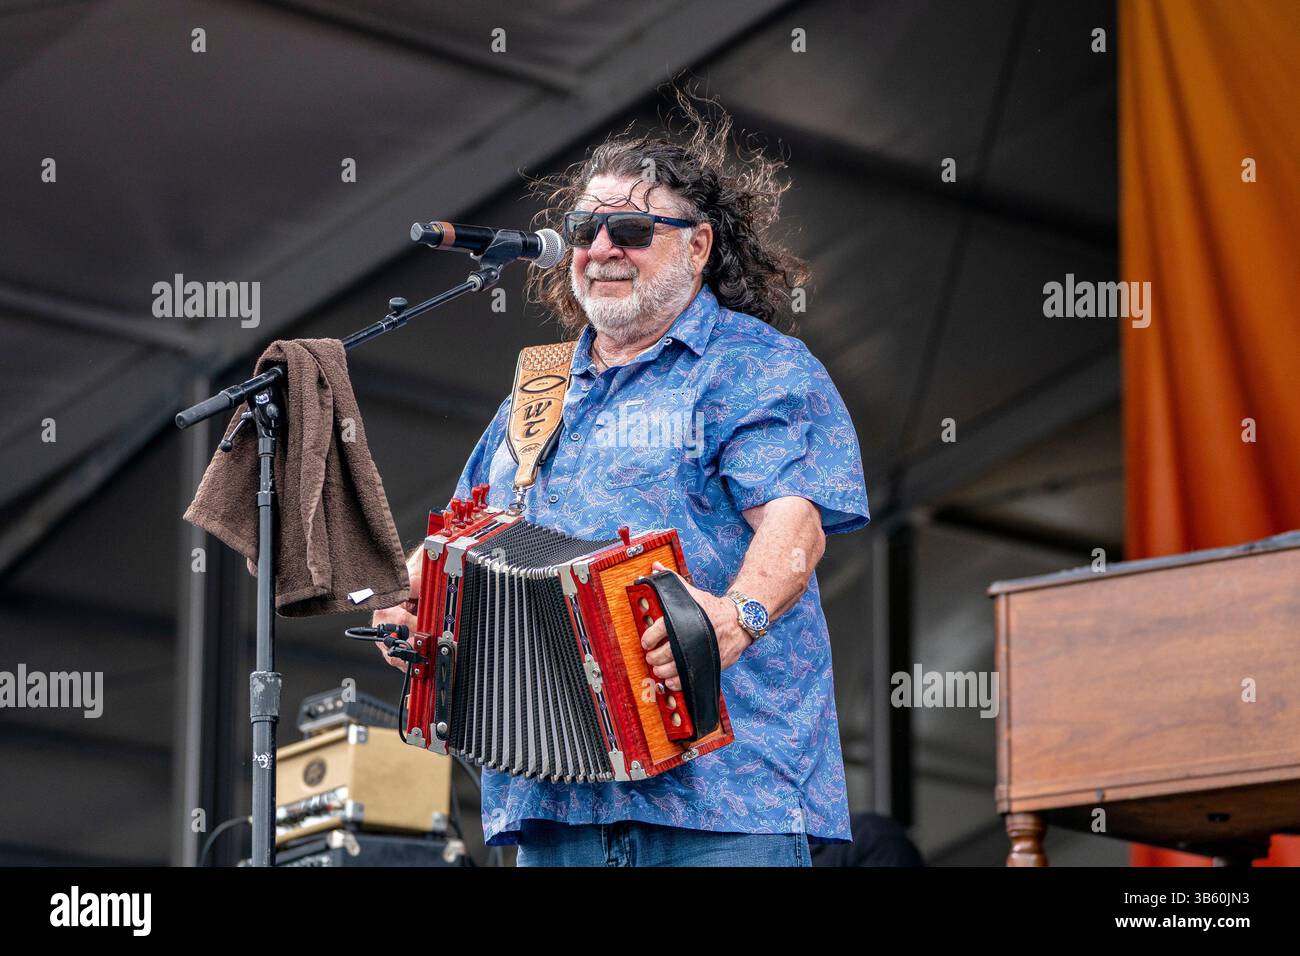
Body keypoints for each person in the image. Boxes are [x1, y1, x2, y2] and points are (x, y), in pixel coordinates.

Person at [374, 90, 870, 867]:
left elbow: (795, 525)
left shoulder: (756, 367)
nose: (601, 246)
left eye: (631, 229)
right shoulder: (537, 388)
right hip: (552, 797)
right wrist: (414, 607)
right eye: (583, 229)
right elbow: (463, 535)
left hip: (723, 798)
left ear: (698, 247)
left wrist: (733, 618)